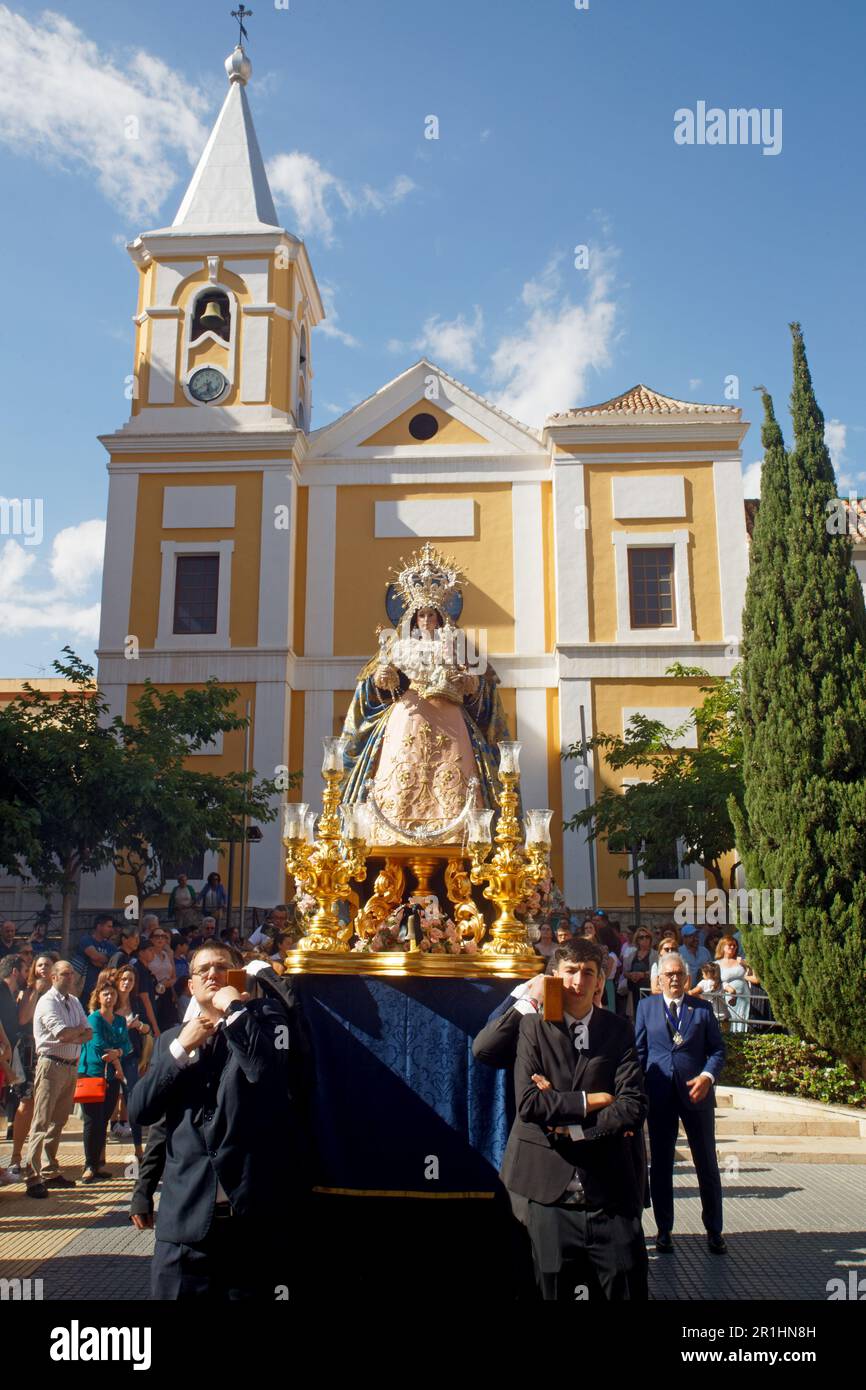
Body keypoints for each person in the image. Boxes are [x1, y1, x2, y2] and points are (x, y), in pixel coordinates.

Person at [128, 944, 314, 1299]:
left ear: (237, 976)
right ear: (191, 986)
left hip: (248, 1226)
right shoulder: (172, 1041)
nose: (212, 974)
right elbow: (146, 1115)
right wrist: (180, 1050)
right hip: (184, 1227)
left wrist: (234, 1009)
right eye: (203, 970)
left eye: (222, 967)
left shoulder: (265, 1024)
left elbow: (263, 1073)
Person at [498, 941, 648, 1300]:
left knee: (624, 1284)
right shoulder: (534, 1028)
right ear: (554, 976)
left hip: (608, 1193)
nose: (578, 981)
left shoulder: (618, 1030)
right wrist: (592, 1100)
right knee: (551, 1288)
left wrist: (574, 1124)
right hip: (548, 1195)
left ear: (600, 982)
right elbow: (530, 1103)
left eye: (588, 973)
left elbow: (632, 1105)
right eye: (570, 971)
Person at [339, 544, 512, 841]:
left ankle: (461, 833)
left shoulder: (460, 649)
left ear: (442, 618)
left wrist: (469, 685)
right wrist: (384, 680)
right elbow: (373, 690)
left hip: (451, 718)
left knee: (455, 773)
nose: (427, 621)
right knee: (400, 775)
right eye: (421, 615)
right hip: (408, 716)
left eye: (433, 615)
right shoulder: (397, 646)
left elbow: (484, 693)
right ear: (413, 618)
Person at [635, 951, 726, 1255]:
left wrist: (707, 1077)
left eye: (679, 974)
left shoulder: (701, 1009)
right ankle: (664, 1231)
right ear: (658, 979)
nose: (674, 979)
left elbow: (717, 1051)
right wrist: (637, 1091)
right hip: (660, 1096)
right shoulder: (645, 1008)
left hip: (696, 1095)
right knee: (661, 1165)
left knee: (707, 1164)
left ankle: (714, 1230)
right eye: (668, 975)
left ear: (687, 978)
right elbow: (639, 1052)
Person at [22, 960, 92, 1198]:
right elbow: (61, 1034)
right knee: (41, 1121)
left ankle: (50, 1169)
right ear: (53, 977)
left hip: (70, 1066)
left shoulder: (73, 1001)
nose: (70, 977)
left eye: (71, 973)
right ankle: (32, 1176)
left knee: (58, 1121)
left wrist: (74, 1036)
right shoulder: (47, 1002)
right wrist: (76, 1035)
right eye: (64, 974)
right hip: (51, 1065)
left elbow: (88, 1030)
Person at [4, 953, 55, 1178]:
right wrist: (35, 991)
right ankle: (16, 1157)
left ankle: (38, 1158)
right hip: (27, 1050)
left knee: (46, 1106)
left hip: (51, 1052)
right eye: (40, 965)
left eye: (48, 965)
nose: (44, 969)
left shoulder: (60, 994)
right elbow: (23, 1019)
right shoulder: (26, 991)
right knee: (26, 1102)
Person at [78, 976, 130, 1183]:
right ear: (98, 997)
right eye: (105, 993)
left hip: (112, 1077)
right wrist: (118, 1053)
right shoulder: (93, 1019)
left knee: (103, 1121)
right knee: (92, 1121)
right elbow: (100, 1047)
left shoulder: (120, 1020)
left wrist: (117, 1051)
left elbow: (126, 1045)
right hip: (93, 1074)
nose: (109, 997)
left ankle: (98, 1165)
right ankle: (89, 1165)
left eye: (113, 993)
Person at [112, 965, 151, 1161]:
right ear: (118, 980)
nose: (127, 983)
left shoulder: (136, 1003)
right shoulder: (109, 1000)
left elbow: (146, 1029)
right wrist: (123, 1028)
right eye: (124, 979)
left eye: (131, 980)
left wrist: (139, 1025)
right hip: (110, 1058)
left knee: (133, 1100)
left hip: (130, 1057)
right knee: (106, 1104)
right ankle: (97, 1156)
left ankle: (138, 1148)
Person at [70, 915, 116, 1000]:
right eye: (108, 926)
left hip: (101, 989)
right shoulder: (86, 940)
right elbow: (95, 957)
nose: (111, 930)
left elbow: (111, 960)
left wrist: (100, 959)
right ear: (99, 926)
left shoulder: (111, 946)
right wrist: (104, 959)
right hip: (82, 988)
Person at [143, 922, 178, 1032]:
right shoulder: (147, 954)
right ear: (151, 939)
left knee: (167, 1025)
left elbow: (173, 976)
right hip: (152, 992)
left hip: (166, 992)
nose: (160, 939)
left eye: (163, 936)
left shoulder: (167, 954)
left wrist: (171, 989)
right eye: (157, 936)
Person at [715, 934, 751, 1033]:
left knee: (743, 1019)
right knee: (731, 1020)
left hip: (744, 996)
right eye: (730, 945)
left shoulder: (740, 961)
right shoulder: (716, 964)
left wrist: (745, 964)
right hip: (728, 996)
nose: (732, 947)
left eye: (734, 945)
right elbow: (715, 982)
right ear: (722, 946)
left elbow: (751, 974)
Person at [619, 928, 657, 1020]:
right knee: (634, 1018)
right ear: (637, 940)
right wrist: (631, 975)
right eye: (641, 937)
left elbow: (657, 971)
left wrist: (643, 974)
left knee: (648, 1017)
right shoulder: (632, 955)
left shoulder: (655, 955)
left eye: (647, 937)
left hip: (648, 992)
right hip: (633, 992)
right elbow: (625, 972)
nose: (645, 939)